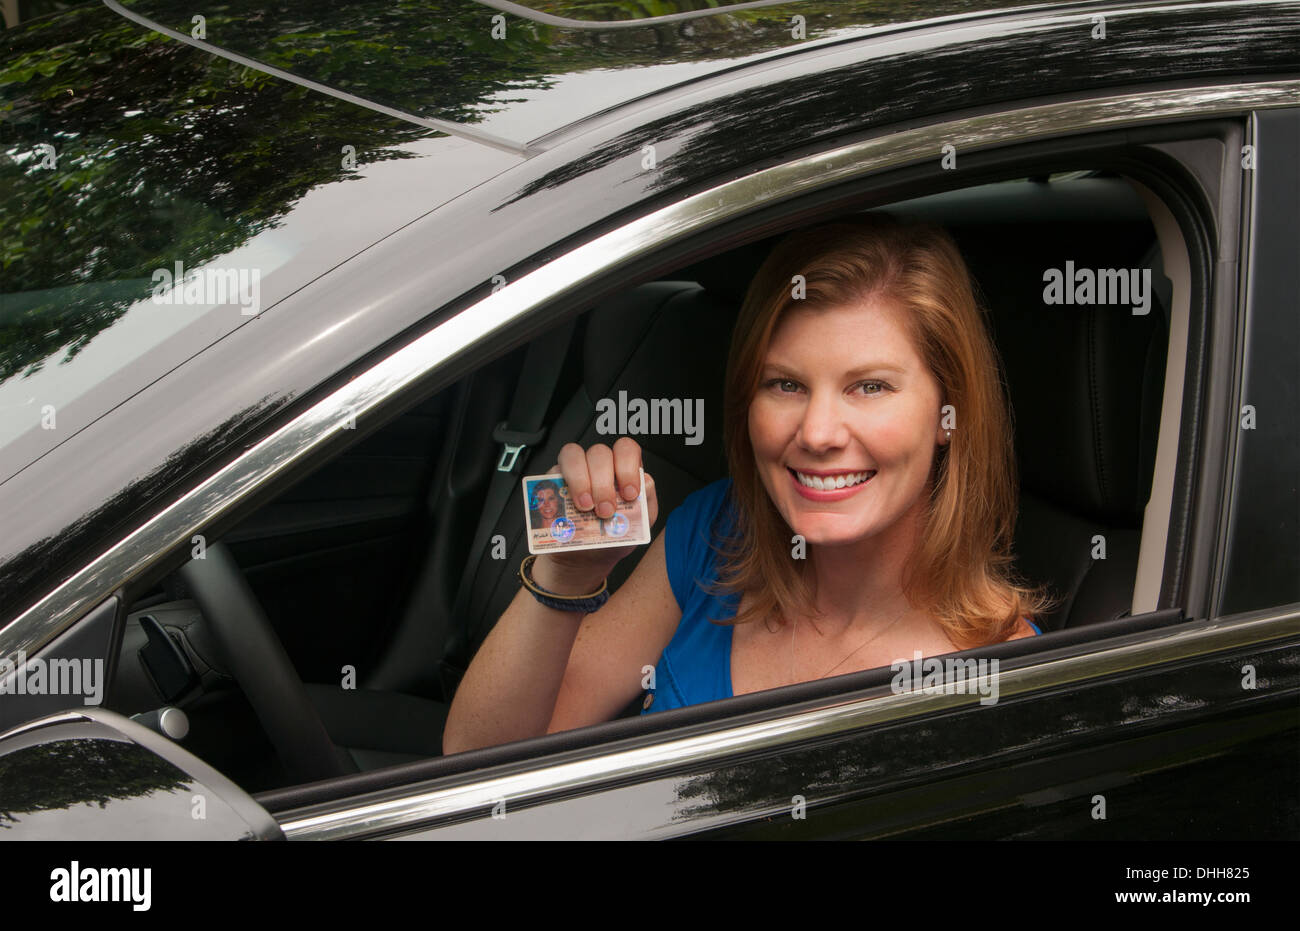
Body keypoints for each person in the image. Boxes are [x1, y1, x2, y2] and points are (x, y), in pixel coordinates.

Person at [442, 213, 1055, 755]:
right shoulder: (717, 532)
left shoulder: (997, 675)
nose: (817, 433)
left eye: (870, 387)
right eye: (785, 384)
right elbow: (481, 758)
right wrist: (565, 578)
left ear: (949, 413)